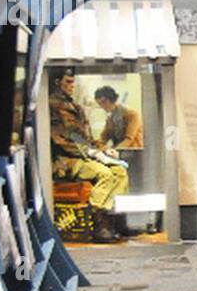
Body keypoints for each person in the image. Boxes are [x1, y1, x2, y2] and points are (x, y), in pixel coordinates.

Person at [49, 68, 129, 243]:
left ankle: (109, 220)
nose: (72, 85)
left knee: (120, 172)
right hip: (66, 160)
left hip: (83, 156)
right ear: (57, 83)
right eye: (68, 82)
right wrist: (91, 152)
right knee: (105, 174)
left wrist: (103, 150)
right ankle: (98, 223)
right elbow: (61, 139)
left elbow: (86, 138)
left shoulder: (75, 107)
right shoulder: (53, 106)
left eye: (73, 81)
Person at [94, 85, 144, 150]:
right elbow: (103, 138)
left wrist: (114, 150)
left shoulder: (132, 114)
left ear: (112, 99)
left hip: (133, 152)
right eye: (100, 104)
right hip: (118, 152)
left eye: (104, 102)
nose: (102, 106)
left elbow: (129, 139)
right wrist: (100, 146)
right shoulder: (110, 118)